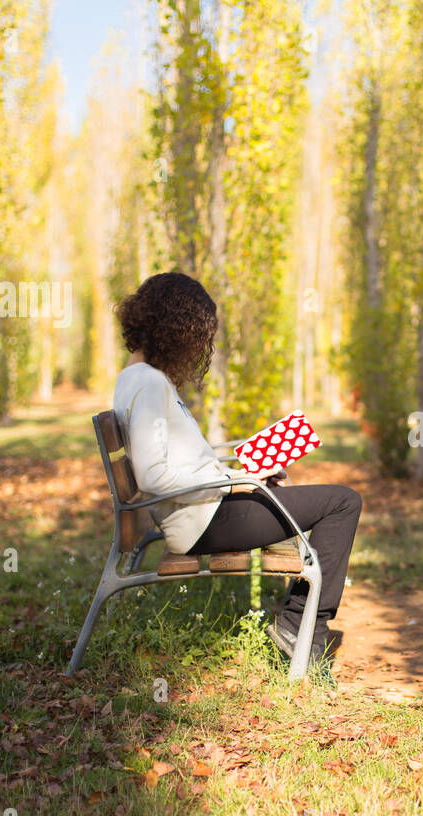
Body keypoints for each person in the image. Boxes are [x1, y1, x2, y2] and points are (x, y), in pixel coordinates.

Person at [111, 272, 361, 667]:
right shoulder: (150, 384)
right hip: (205, 521)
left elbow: (174, 464)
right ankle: (302, 624)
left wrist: (247, 474)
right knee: (343, 502)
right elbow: (152, 477)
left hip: (206, 511)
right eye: (196, 334)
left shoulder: (134, 378)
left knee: (326, 498)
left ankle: (300, 622)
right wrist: (234, 480)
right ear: (175, 328)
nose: (197, 347)